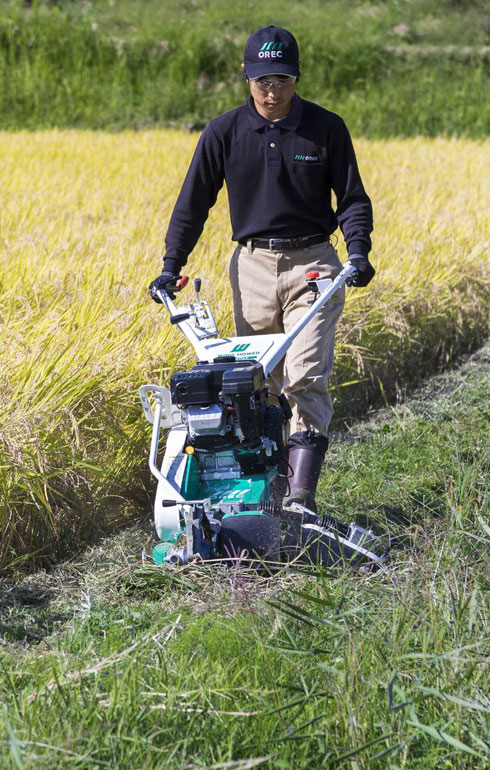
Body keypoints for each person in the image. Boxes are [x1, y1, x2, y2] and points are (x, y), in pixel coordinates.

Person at [149, 25, 375, 512]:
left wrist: (358, 250)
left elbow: (352, 199)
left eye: (282, 80)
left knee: (306, 375)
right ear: (246, 77)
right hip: (250, 266)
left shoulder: (325, 128)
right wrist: (171, 266)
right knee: (256, 386)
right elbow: (192, 206)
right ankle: (264, 500)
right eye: (262, 82)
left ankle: (300, 501)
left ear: (296, 77)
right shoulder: (224, 133)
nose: (272, 92)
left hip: (314, 264)